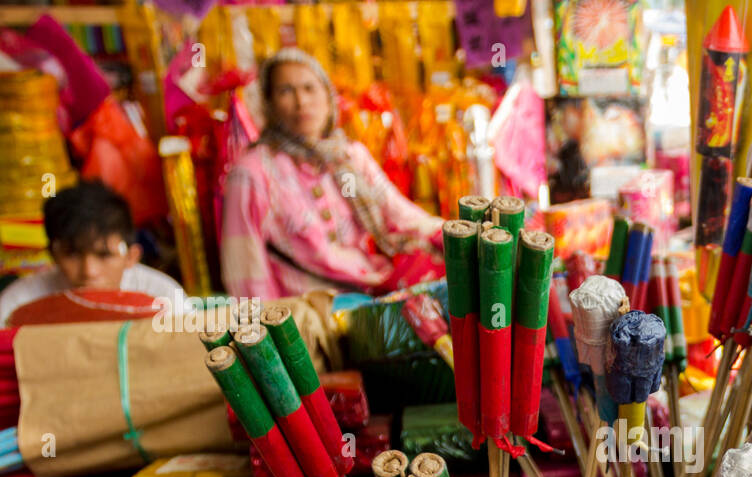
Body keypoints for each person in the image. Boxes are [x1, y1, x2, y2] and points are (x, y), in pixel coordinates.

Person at [221, 48, 444, 302]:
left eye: (309, 88)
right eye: (286, 91)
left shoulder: (349, 156)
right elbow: (246, 273)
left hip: (370, 294)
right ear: (269, 105)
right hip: (307, 315)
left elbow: (401, 215)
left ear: (328, 100)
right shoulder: (253, 172)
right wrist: (273, 332)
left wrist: (454, 235)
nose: (301, 101)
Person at [0, 181, 182, 326]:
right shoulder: (16, 304)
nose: (89, 271)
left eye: (104, 255)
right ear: (53, 256)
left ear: (131, 256)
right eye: (72, 254)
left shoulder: (166, 298)